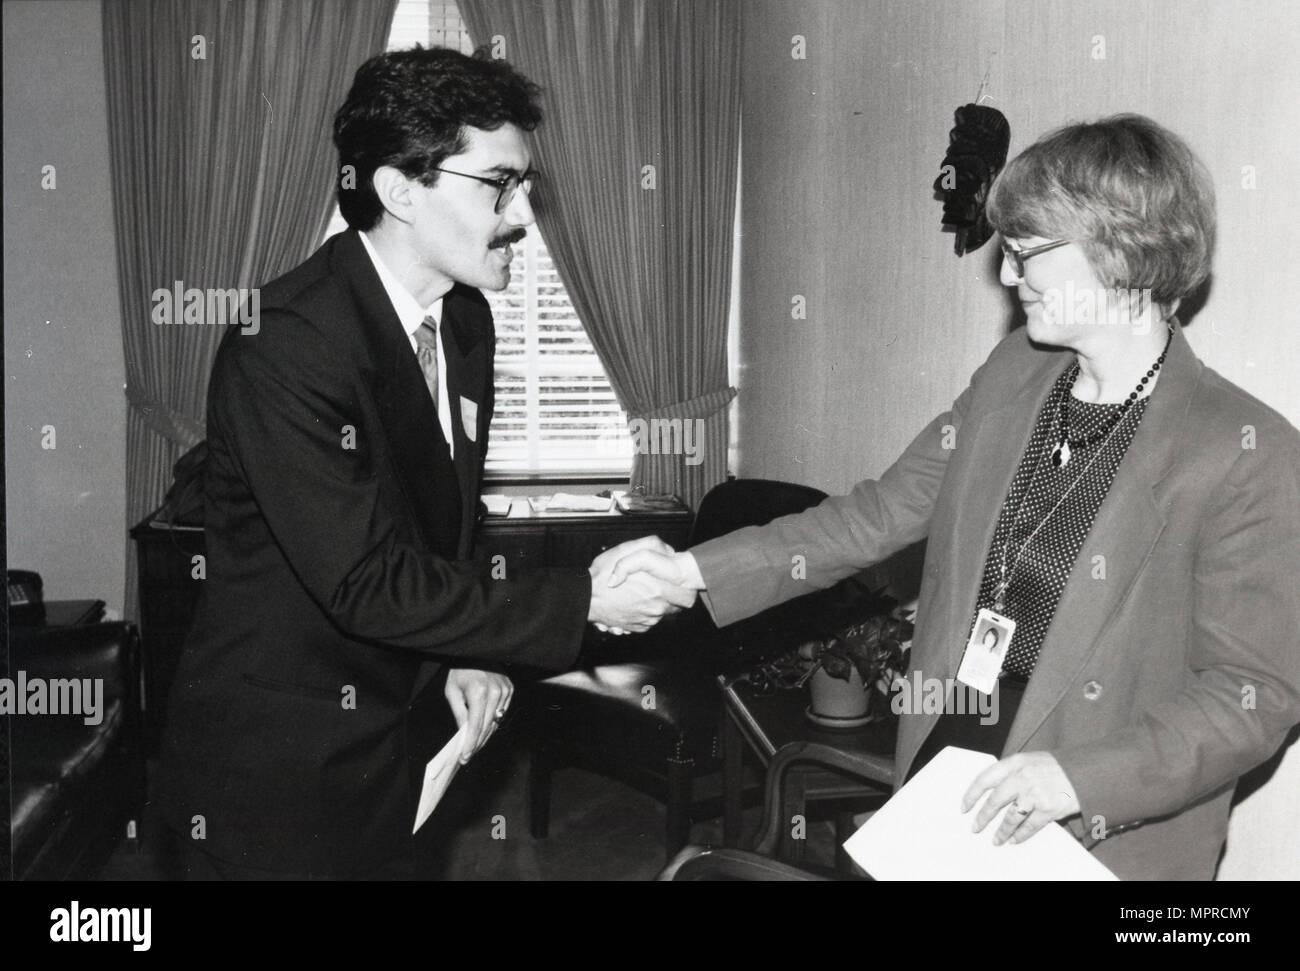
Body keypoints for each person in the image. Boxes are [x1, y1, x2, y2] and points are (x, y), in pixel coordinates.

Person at [608, 114, 1300, 880]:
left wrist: (1078, 779)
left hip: (1096, 824)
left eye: (1029, 253)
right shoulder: (1014, 373)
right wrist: (692, 573)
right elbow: (876, 513)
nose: (1007, 277)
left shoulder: (1244, 450)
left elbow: (1255, 692)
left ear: (1121, 254)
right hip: (952, 756)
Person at [158, 46, 689, 880]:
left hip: (405, 750)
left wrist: (462, 655)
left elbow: (441, 529)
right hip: (280, 779)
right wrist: (582, 600)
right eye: (497, 184)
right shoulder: (287, 343)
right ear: (400, 190)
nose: (520, 215)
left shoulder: (466, 322)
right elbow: (365, 579)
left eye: (523, 186)